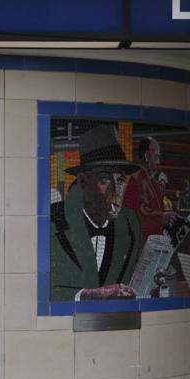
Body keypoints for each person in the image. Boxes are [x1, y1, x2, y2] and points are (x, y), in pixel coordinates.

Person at [50, 124, 142, 301]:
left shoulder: (131, 224)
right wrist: (87, 295)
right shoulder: (54, 220)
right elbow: (39, 288)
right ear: (84, 182)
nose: (116, 191)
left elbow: (135, 280)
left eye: (121, 180)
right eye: (105, 179)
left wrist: (154, 280)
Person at [122, 136, 165, 239]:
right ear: (146, 156)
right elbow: (141, 217)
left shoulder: (151, 182)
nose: (158, 162)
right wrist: (162, 218)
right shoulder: (138, 179)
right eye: (156, 157)